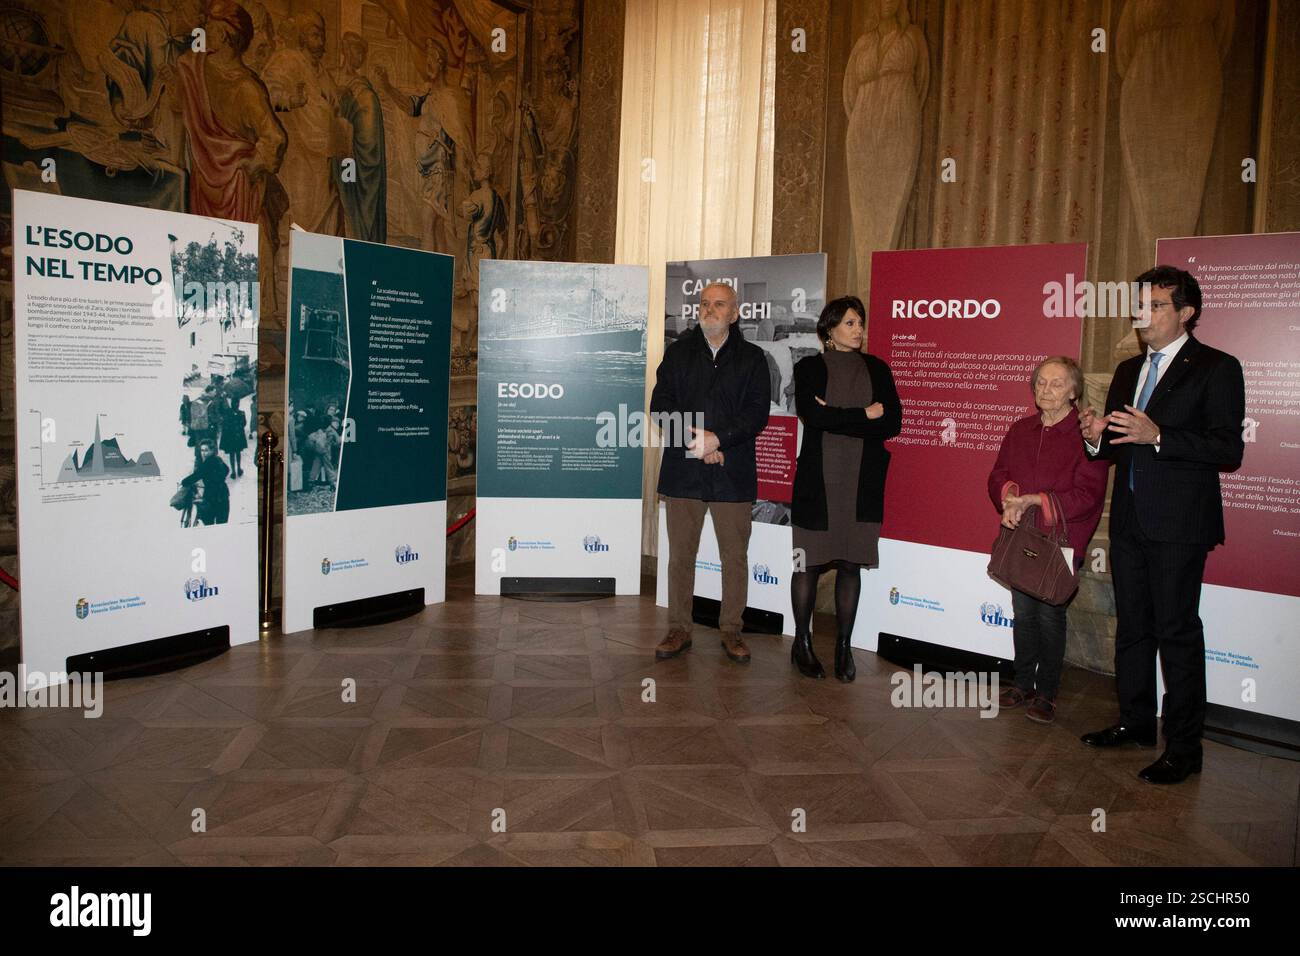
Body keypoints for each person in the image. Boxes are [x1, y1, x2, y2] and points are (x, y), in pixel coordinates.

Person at [1079, 266, 1245, 784]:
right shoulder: (1129, 371)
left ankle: (1184, 746)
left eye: (1153, 306)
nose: (1140, 315)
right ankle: (1134, 723)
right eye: (1138, 305)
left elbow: (1227, 449)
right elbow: (1112, 446)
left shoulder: (1216, 367)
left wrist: (1158, 435)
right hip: (1128, 521)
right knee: (1132, 628)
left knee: (1176, 633)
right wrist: (1093, 436)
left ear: (1186, 313)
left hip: (1178, 525)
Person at [650, 281, 770, 664]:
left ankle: (732, 630)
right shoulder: (678, 352)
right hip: (684, 471)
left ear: (735, 314)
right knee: (680, 555)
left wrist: (719, 441)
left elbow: (756, 415)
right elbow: (660, 406)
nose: (709, 310)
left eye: (719, 304)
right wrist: (697, 443)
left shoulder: (753, 358)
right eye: (704, 304)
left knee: (734, 557)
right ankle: (678, 628)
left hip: (732, 471)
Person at [987, 356, 1109, 721]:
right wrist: (1010, 499)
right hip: (1022, 534)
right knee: (1023, 614)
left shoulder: (1087, 437)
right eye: (1041, 382)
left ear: (1074, 392)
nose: (1046, 389)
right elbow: (998, 474)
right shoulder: (1020, 429)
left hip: (1061, 539)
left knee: (1051, 615)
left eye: (1057, 383)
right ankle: (1022, 683)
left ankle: (1047, 692)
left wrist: (1036, 501)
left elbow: (1088, 495)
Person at [789, 296, 901, 682]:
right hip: (818, 482)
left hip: (861, 482)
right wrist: (863, 415)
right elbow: (812, 415)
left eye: (861, 323)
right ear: (829, 329)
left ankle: (842, 647)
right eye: (851, 323)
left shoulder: (878, 369)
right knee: (808, 564)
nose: (859, 330)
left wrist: (836, 416)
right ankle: (801, 643)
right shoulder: (808, 367)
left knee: (851, 563)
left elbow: (892, 424)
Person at [182, 439, 231, 525]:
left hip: (212, 497)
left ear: (212, 450)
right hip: (223, 495)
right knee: (222, 525)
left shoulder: (207, 463)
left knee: (209, 525)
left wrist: (184, 482)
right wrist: (219, 479)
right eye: (202, 450)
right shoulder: (218, 459)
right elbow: (227, 470)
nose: (203, 453)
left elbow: (196, 476)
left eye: (206, 450)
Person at [221, 400, 249, 478]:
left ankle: (234, 471)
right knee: (237, 453)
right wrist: (238, 428)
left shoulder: (227, 413)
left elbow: (225, 424)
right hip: (238, 436)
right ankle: (238, 469)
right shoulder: (241, 413)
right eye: (236, 403)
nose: (236, 404)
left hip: (231, 436)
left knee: (232, 454)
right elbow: (243, 423)